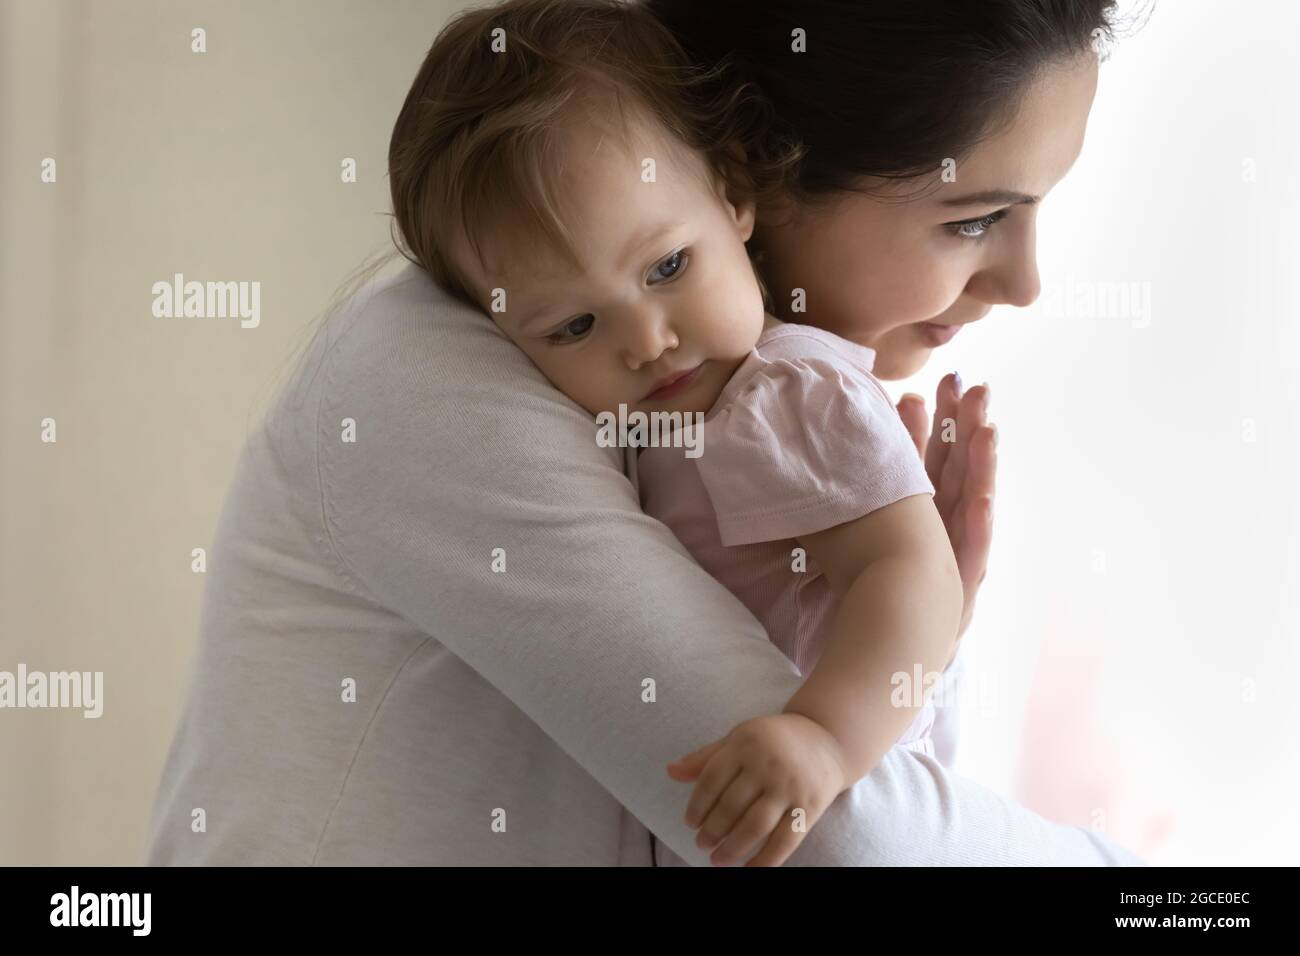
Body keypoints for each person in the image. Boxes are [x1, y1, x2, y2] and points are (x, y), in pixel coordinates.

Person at [144, 0, 1142, 865]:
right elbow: (833, 837)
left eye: (668, 268)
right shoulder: (438, 376)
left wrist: (907, 629)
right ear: (757, 174)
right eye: (973, 219)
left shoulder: (705, 389)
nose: (1026, 284)